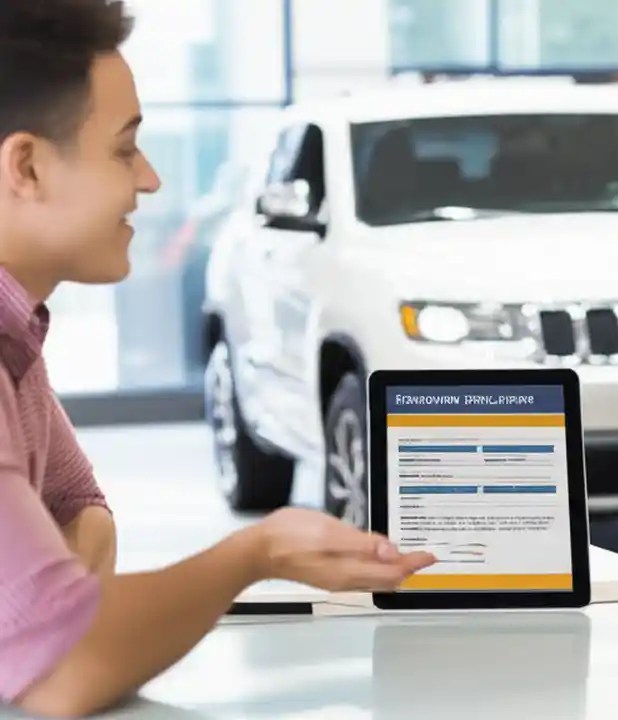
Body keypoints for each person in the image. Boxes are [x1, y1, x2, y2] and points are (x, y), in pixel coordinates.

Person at [0, 2, 435, 717]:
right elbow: (65, 667)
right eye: (124, 149)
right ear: (27, 167)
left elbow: (82, 513)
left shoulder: (18, 337)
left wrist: (50, 613)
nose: (149, 179)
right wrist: (254, 554)